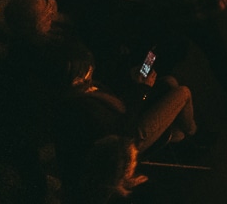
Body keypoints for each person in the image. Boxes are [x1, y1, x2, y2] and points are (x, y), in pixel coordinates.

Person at [58, 45, 198, 159]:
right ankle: (194, 134)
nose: (91, 72)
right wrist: (143, 89)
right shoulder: (85, 106)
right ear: (75, 81)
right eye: (87, 72)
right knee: (183, 93)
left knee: (170, 82)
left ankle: (178, 136)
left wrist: (130, 78)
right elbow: (124, 123)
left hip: (129, 115)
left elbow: (116, 99)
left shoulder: (87, 88)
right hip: (128, 140)